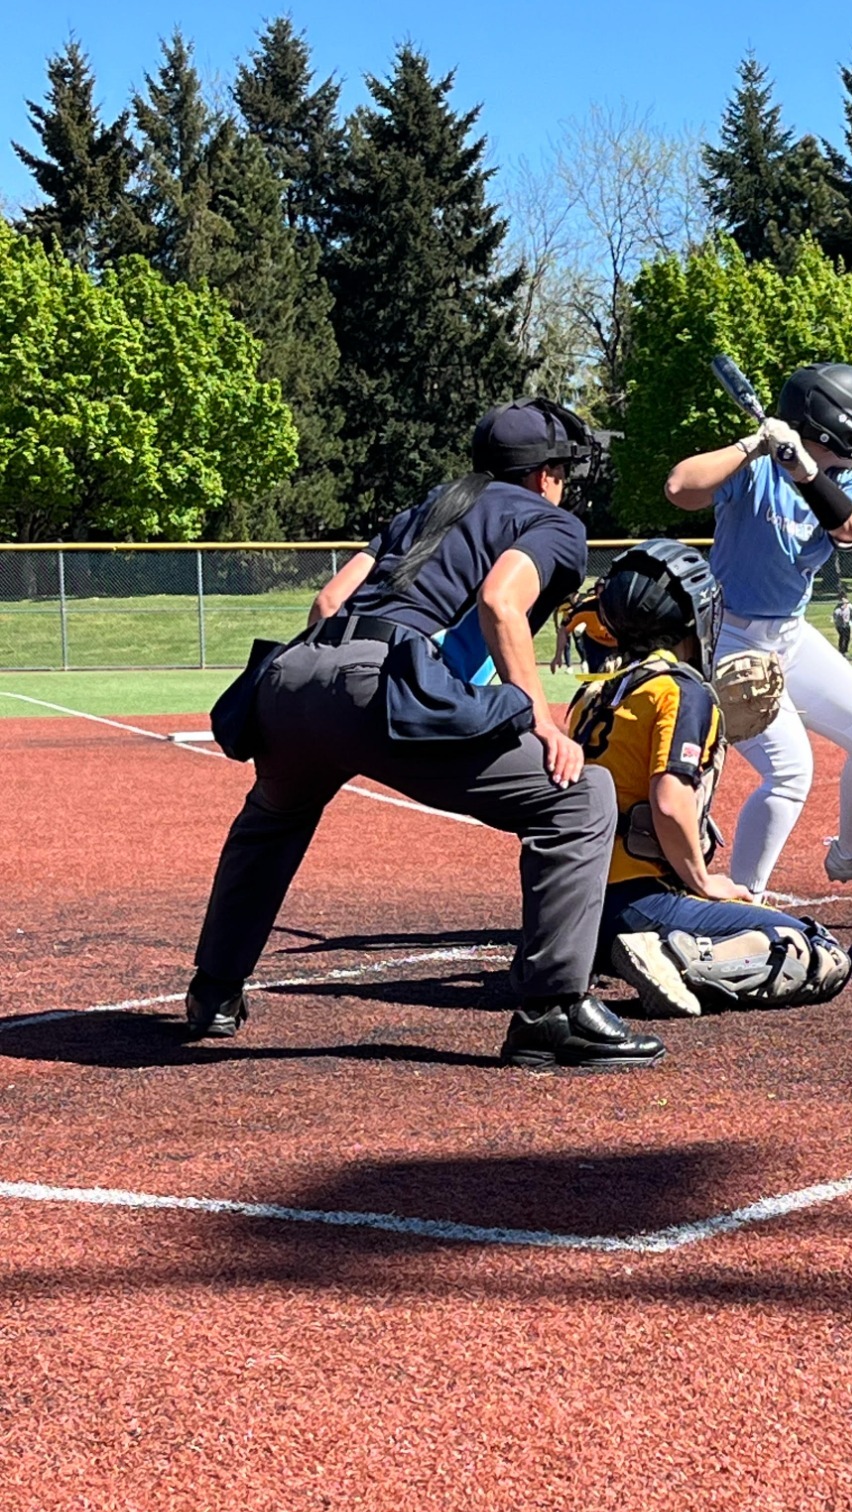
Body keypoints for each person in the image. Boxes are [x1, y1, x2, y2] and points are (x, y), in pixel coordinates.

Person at [185, 399, 664, 1070]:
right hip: (379, 682)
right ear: (544, 474)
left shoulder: (431, 506)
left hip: (292, 676)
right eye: (561, 471)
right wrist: (540, 720)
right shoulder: (551, 521)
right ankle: (551, 1013)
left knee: (272, 820)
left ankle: (213, 990)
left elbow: (329, 601)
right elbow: (501, 601)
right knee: (580, 796)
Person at [664, 363, 852, 899]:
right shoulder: (755, 470)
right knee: (789, 772)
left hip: (790, 634)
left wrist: (805, 471)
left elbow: (850, 531)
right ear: (833, 424)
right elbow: (679, 488)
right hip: (728, 637)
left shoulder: (843, 481)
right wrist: (753, 445)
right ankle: (744, 901)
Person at [567, 540, 852, 1018]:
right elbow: (668, 801)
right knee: (814, 949)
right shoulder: (680, 689)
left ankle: (630, 951)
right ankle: (672, 955)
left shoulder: (592, 694)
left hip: (573, 906)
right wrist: (702, 881)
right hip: (634, 902)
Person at [832, 589, 852, 657]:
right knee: (842, 636)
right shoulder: (838, 607)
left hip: (847, 624)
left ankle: (845, 650)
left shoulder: (850, 607)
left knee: (847, 637)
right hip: (840, 625)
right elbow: (835, 615)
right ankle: (841, 650)